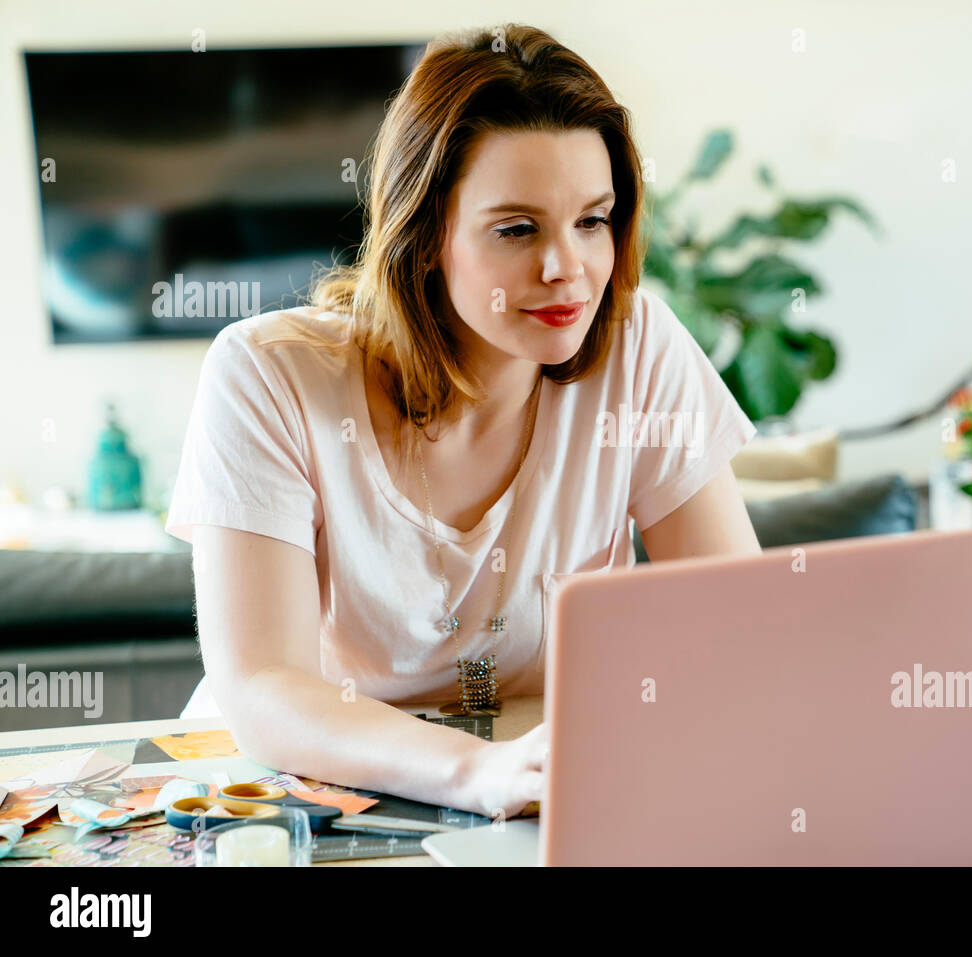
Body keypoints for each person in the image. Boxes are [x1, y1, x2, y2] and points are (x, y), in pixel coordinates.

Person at [164, 23, 760, 820]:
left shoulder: (637, 348)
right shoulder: (270, 375)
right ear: (427, 237)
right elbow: (264, 687)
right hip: (302, 797)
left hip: (531, 792)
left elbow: (744, 623)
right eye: (517, 229)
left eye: (593, 220)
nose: (567, 268)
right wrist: (478, 772)